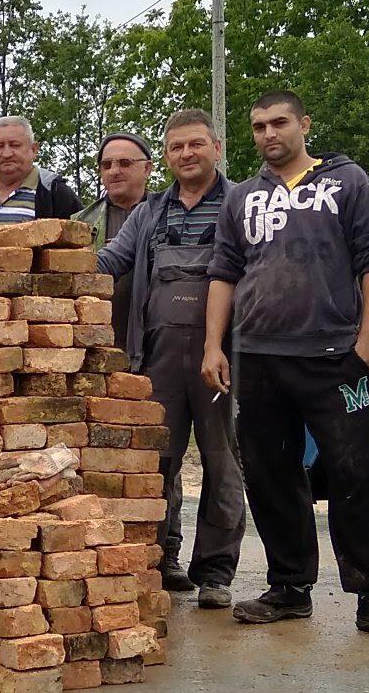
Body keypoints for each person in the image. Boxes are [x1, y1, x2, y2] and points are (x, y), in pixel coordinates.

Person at [201, 90, 369, 644]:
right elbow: (223, 271)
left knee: (355, 474)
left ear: (304, 124)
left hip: (334, 357)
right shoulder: (241, 197)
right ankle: (290, 588)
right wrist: (213, 345)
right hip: (259, 357)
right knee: (271, 478)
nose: (269, 134)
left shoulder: (347, 183)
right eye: (258, 126)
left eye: (279, 123)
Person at [97, 110, 245, 606]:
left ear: (216, 148)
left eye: (196, 145)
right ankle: (155, 559)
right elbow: (111, 261)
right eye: (177, 147)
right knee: (157, 461)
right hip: (157, 354)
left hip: (221, 356)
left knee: (222, 461)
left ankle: (217, 574)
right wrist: (47, 257)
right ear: (166, 155)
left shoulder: (241, 205)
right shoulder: (149, 213)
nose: (187, 154)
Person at [76, 131, 155, 348]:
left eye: (124, 163)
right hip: (98, 344)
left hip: (155, 344)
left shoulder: (168, 215)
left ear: (147, 168)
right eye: (106, 165)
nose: (114, 171)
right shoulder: (78, 224)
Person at [0, 116, 83, 222]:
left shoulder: (55, 193)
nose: (7, 154)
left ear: (33, 150)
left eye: (15, 145)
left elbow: (82, 243)